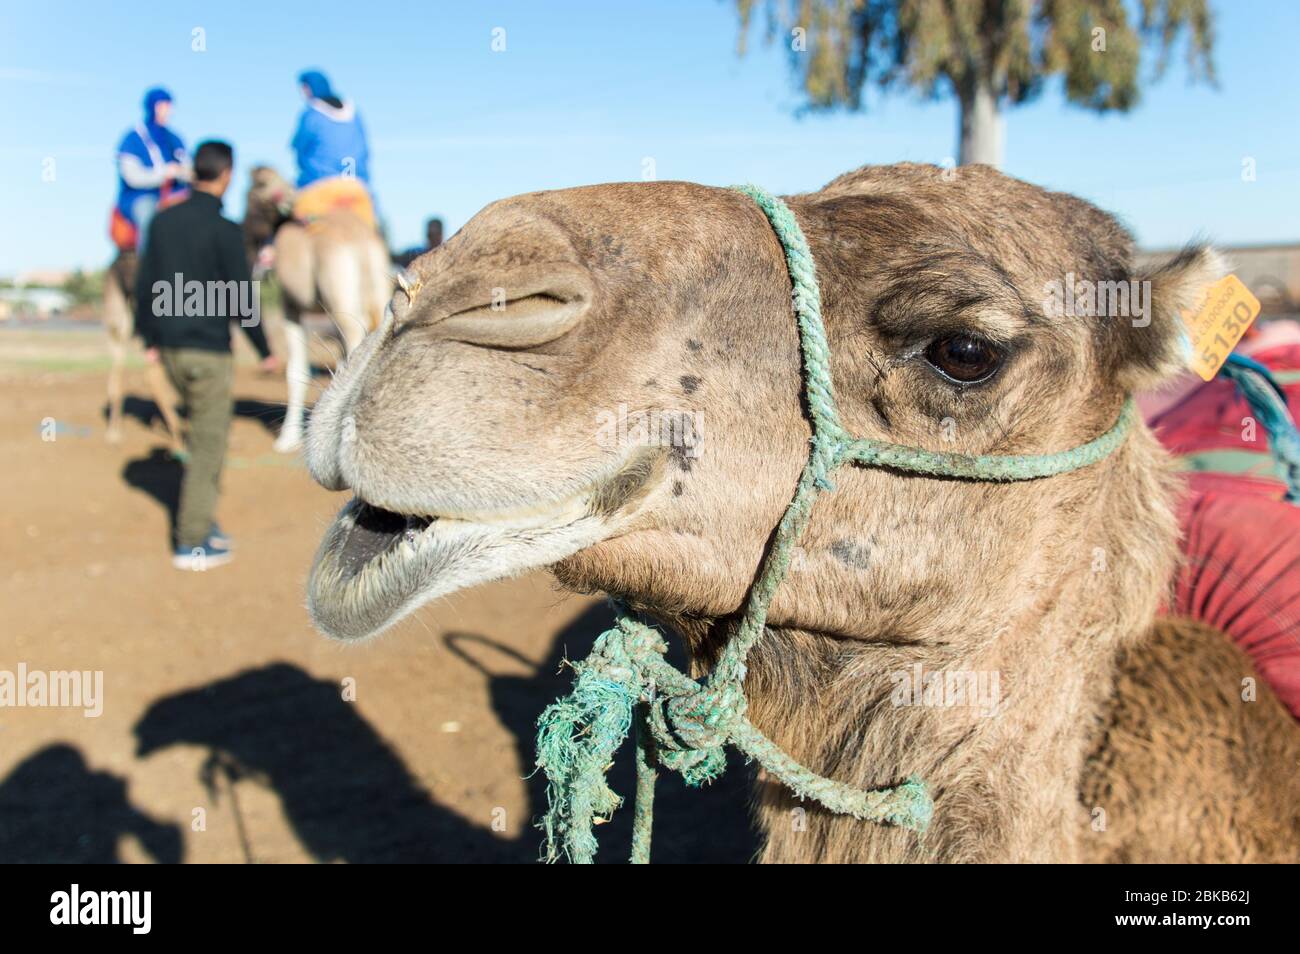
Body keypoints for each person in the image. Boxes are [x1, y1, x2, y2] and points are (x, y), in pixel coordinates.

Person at [134, 141, 280, 570]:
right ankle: (192, 542)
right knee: (208, 445)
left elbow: (146, 287)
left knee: (202, 440)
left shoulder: (162, 222)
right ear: (227, 175)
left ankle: (204, 522)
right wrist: (264, 349)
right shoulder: (224, 229)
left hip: (172, 351)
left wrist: (150, 338)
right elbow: (240, 295)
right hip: (207, 354)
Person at [289, 69, 378, 229]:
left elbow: (299, 149)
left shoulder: (311, 114)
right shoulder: (354, 114)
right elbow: (364, 152)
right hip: (357, 189)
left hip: (319, 187)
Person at [114, 87, 190, 250]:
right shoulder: (132, 139)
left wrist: (181, 172)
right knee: (148, 216)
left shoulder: (175, 140)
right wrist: (163, 173)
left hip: (176, 196)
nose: (168, 111)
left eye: (169, 106)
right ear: (152, 106)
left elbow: (189, 169)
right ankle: (149, 268)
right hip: (140, 197)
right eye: (163, 106)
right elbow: (132, 177)